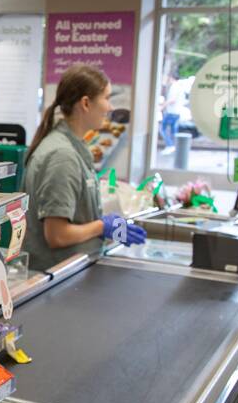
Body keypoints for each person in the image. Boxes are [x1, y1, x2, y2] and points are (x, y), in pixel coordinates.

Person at [21, 64, 146, 274]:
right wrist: (101, 226)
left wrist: (103, 225)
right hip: (58, 277)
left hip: (73, 273)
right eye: (107, 98)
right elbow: (57, 235)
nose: (111, 107)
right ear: (86, 103)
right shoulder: (62, 156)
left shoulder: (74, 148)